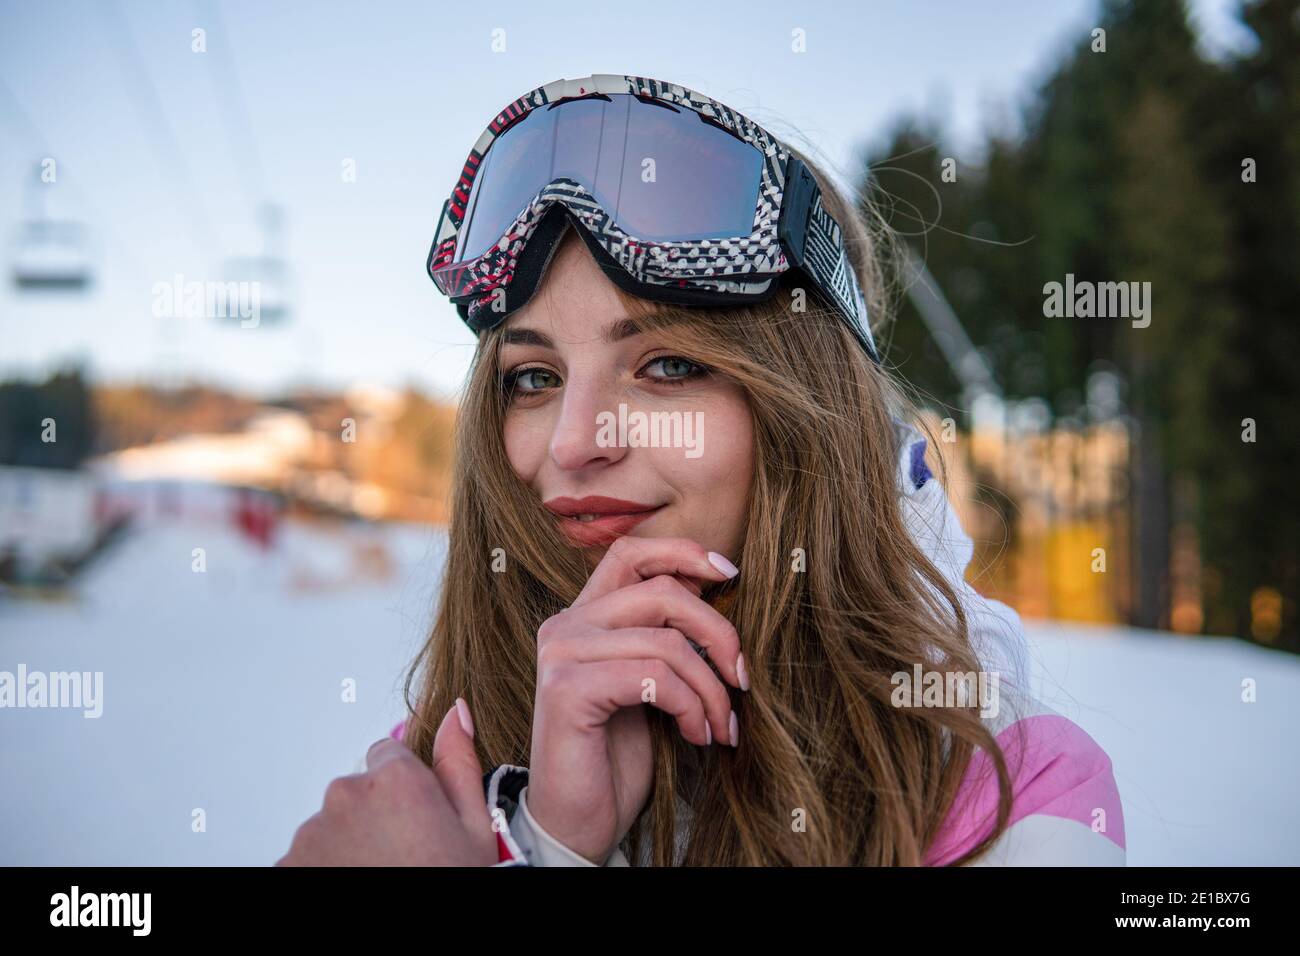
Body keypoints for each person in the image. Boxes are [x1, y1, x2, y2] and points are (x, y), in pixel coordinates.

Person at [276, 74, 1125, 867]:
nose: (573, 444)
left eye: (669, 366)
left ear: (812, 413)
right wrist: (540, 840)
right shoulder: (441, 772)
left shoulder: (1011, 786)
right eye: (533, 378)